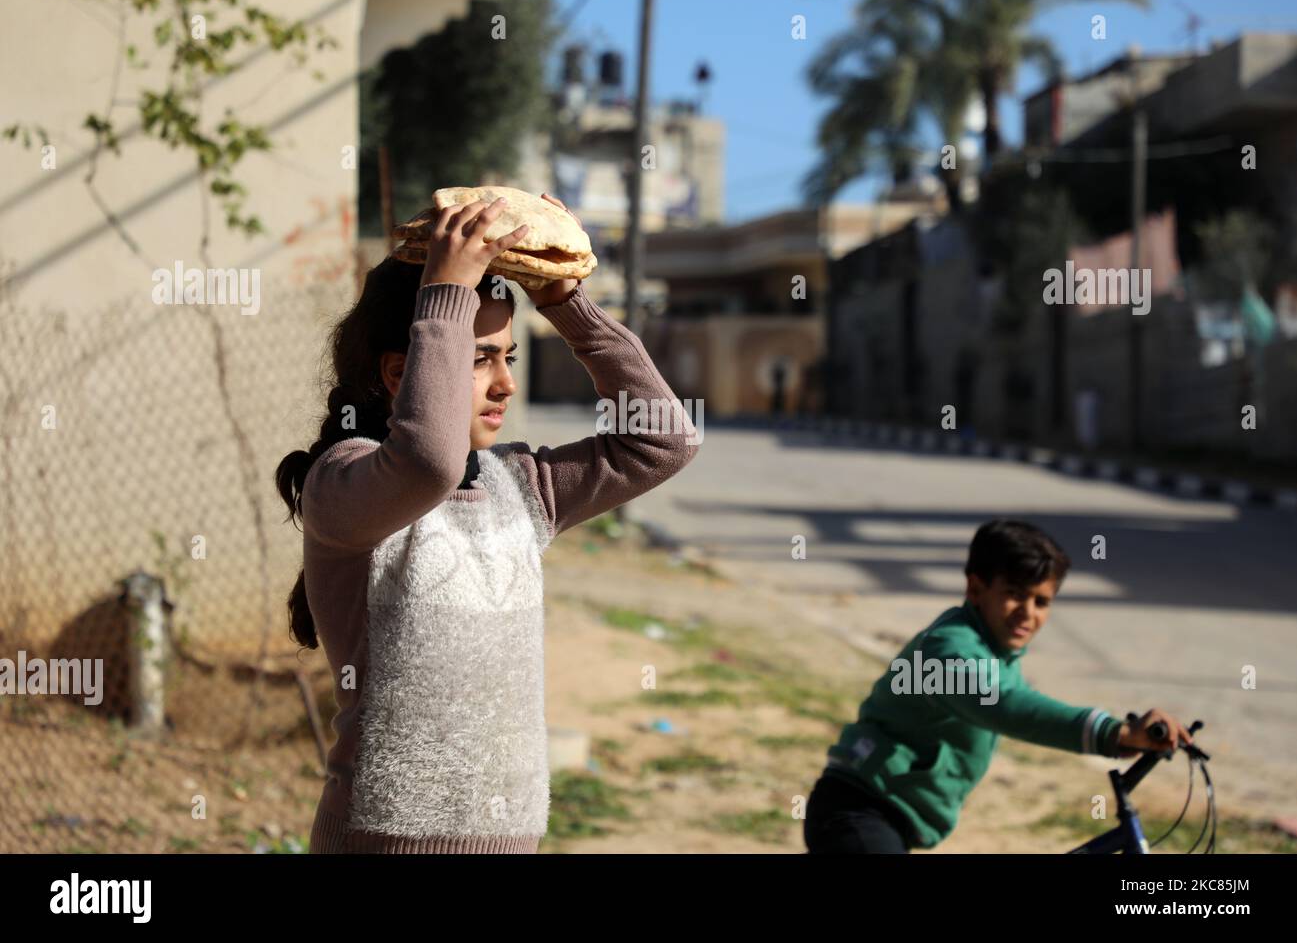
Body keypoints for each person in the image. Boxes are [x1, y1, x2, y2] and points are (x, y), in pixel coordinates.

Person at [275, 194, 699, 852]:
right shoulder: (343, 484)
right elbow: (427, 463)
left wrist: (566, 304)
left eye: (510, 357)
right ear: (399, 372)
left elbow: (662, 441)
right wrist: (445, 290)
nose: (504, 384)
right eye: (479, 359)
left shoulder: (520, 485)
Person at [804, 518, 1192, 853]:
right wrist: (1113, 733)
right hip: (856, 809)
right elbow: (1006, 706)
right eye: (1014, 595)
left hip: (888, 818)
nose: (1028, 613)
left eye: (1042, 602)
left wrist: (1128, 742)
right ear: (975, 590)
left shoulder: (996, 655)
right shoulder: (947, 649)